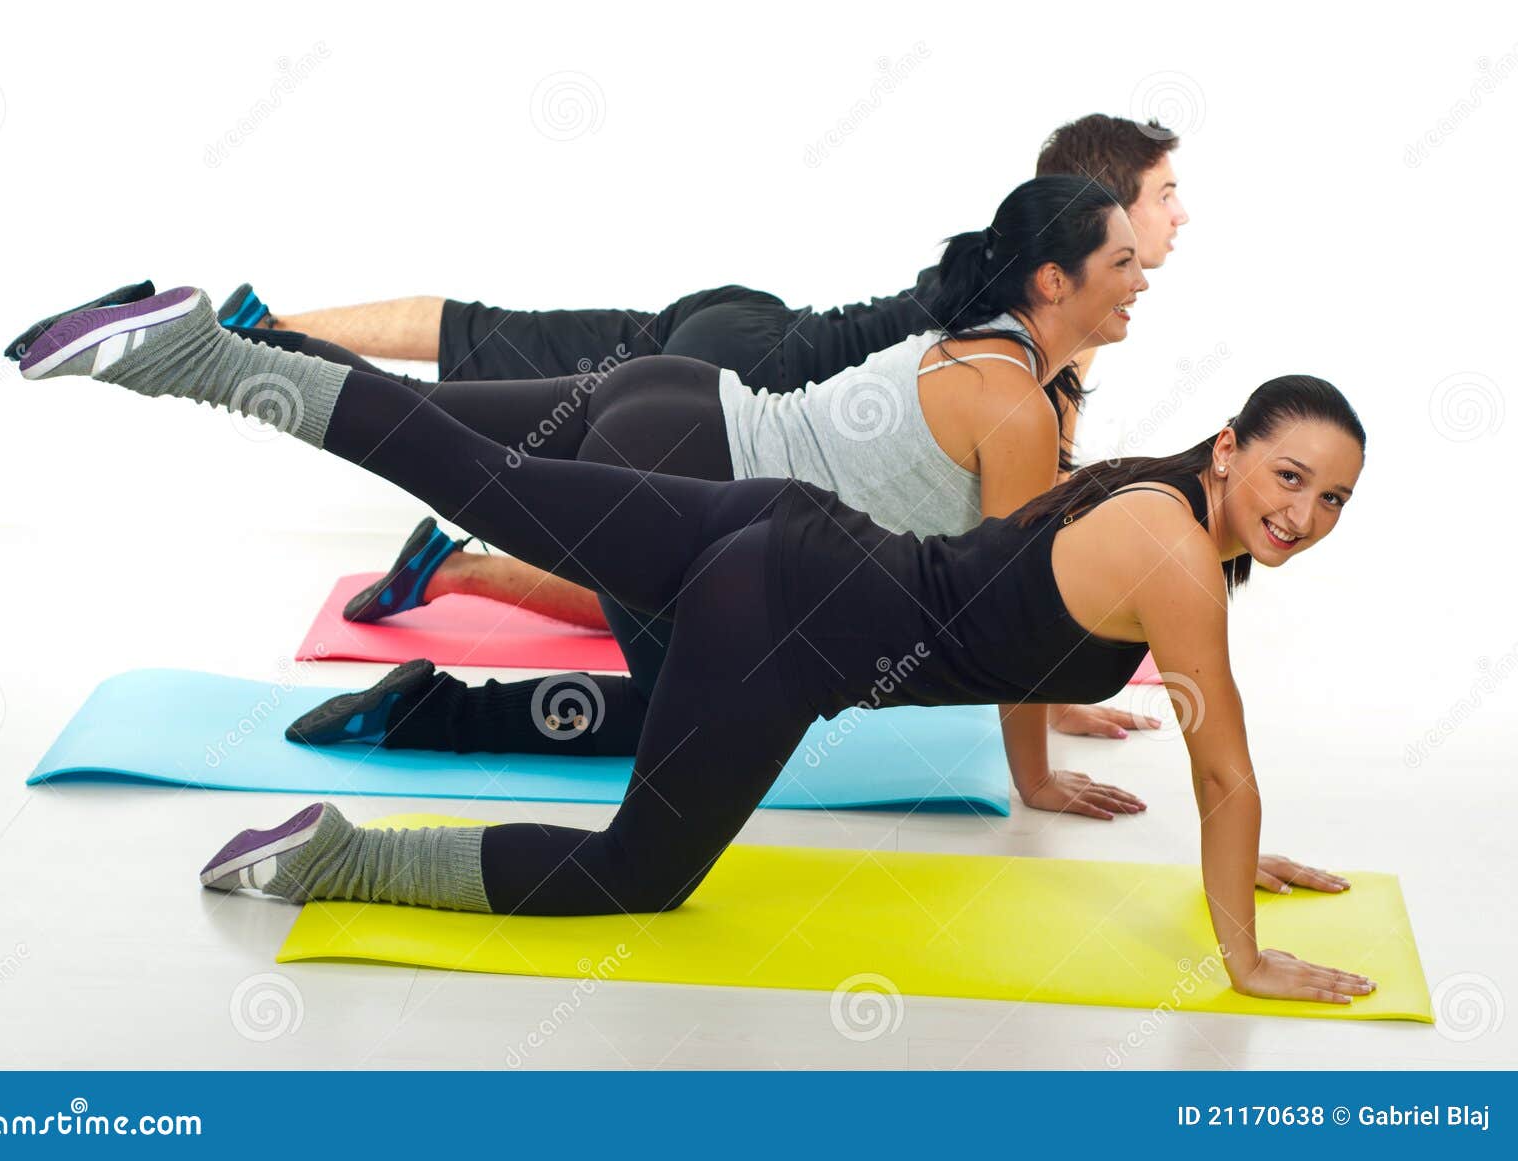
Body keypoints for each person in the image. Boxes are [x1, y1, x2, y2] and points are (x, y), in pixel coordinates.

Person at [14, 282, 1372, 1006]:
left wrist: (1035, 783)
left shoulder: (1136, 491)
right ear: (1234, 446)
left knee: (495, 483)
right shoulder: (1185, 559)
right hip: (786, 621)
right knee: (633, 876)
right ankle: (337, 856)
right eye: (1289, 475)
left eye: (1330, 500)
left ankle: (194, 352)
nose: (1300, 516)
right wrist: (1242, 950)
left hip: (778, 528)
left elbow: (1010, 603)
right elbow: (1224, 768)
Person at [276, 176, 1149, 783]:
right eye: (1122, 263)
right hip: (678, 468)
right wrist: (1034, 776)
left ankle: (234, 341)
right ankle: (418, 716)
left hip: (673, 394)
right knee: (674, 716)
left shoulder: (971, 337)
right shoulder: (1017, 407)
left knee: (419, 413)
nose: (1141, 281)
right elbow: (1004, 605)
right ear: (1052, 278)